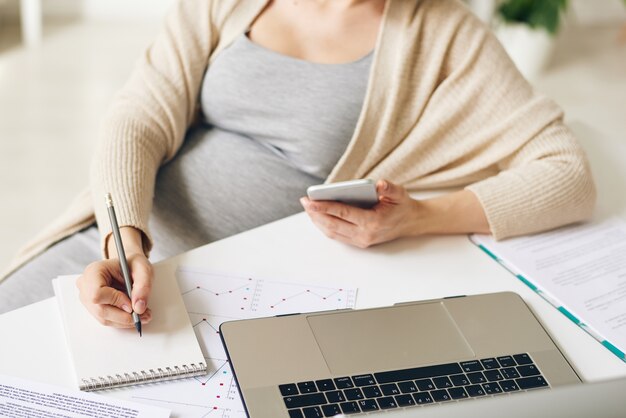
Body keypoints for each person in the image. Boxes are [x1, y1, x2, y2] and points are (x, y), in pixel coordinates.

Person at [0, 0, 596, 326]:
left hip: (226, 294)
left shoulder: (443, 32)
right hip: (118, 252)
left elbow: (568, 174)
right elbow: (138, 116)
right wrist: (122, 241)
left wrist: (418, 217)